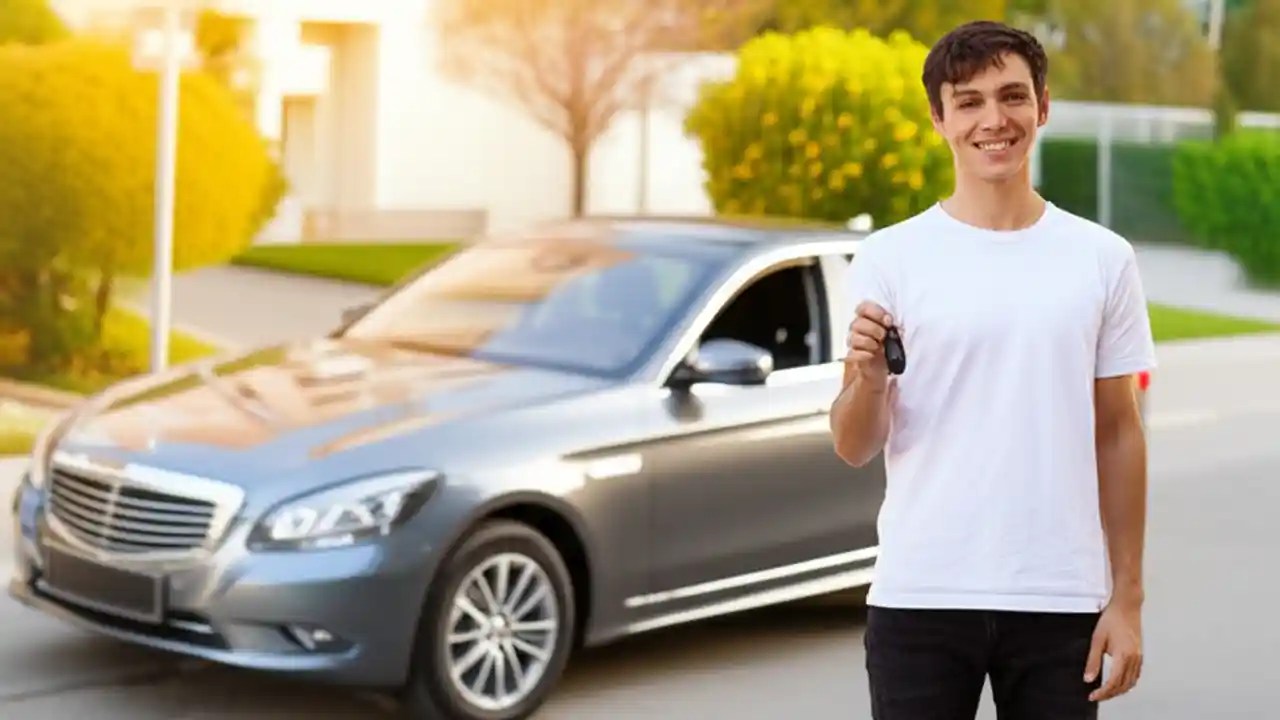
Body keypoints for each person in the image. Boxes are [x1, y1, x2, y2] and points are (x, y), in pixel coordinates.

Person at [831, 20, 1156, 720]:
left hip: (1059, 601)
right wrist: (866, 377)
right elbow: (855, 444)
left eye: (1012, 96)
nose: (993, 119)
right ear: (939, 119)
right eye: (969, 101)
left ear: (1043, 106)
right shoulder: (890, 259)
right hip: (920, 598)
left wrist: (1125, 599)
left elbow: (1119, 434)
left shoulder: (1102, 259)